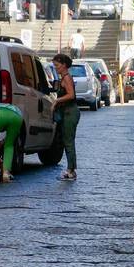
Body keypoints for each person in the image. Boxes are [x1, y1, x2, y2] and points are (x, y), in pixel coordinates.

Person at [52, 52, 80, 182]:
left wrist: (57, 101)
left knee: (68, 141)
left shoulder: (67, 78)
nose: (55, 67)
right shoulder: (63, 78)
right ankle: (71, 169)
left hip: (70, 112)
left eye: (57, 65)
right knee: (67, 140)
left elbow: (71, 95)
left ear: (64, 65)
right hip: (67, 112)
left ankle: (71, 170)